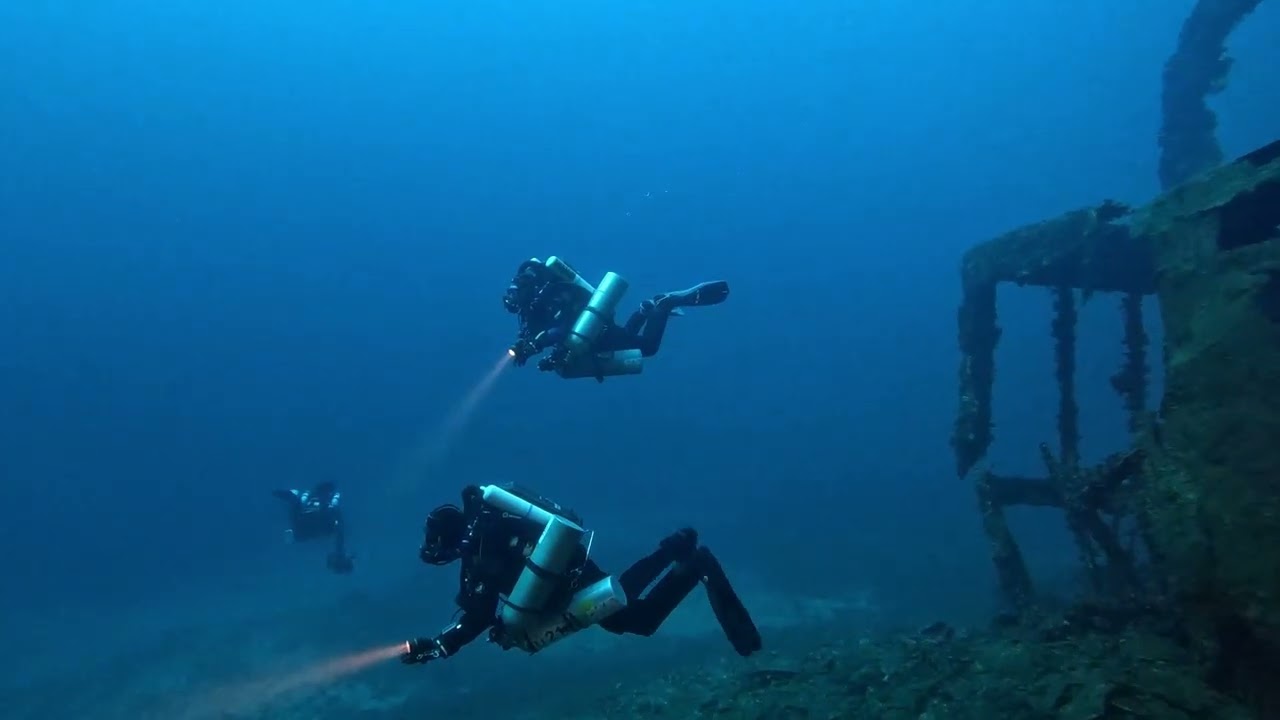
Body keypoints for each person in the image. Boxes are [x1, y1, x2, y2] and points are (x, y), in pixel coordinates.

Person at [399, 483, 761, 665]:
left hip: (563, 584)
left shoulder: (480, 553)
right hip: (571, 566)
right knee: (615, 594)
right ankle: (673, 548)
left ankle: (694, 564)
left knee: (636, 621)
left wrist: (441, 646)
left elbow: (477, 616)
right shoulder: (492, 523)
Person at [503, 256, 730, 381]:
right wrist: (536, 350)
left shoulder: (550, 296)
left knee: (647, 348)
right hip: (591, 335)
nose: (512, 302)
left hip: (591, 329)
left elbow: (561, 329)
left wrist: (537, 344)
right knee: (630, 338)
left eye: (514, 296)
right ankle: (645, 310)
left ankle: (664, 305)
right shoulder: (532, 311)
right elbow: (546, 334)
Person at [271, 481, 354, 574]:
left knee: (299, 526)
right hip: (319, 524)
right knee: (301, 531)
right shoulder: (328, 502)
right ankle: (293, 501)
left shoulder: (311, 499)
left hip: (309, 522)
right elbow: (339, 526)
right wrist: (340, 551)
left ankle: (292, 497)